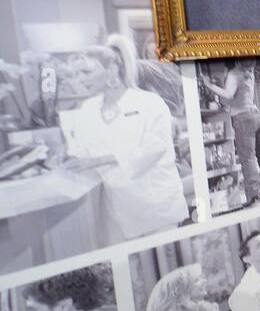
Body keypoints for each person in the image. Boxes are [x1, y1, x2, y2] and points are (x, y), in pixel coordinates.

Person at [56, 34, 189, 241]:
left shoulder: (150, 103)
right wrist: (63, 153)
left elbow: (155, 148)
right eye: (75, 74)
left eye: (86, 72)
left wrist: (101, 159)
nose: (80, 79)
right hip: (118, 212)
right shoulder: (87, 109)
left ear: (112, 70)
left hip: (157, 210)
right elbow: (81, 153)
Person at [201, 61, 260, 205]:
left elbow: (229, 94)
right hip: (256, 116)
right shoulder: (249, 73)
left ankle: (253, 195)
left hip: (243, 118)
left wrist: (209, 85)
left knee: (247, 158)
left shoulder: (233, 73)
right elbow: (239, 96)